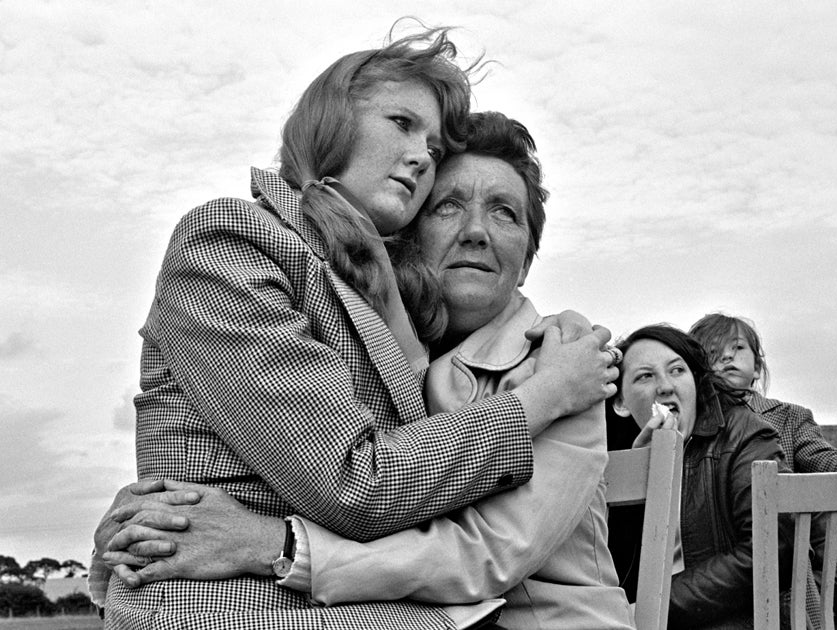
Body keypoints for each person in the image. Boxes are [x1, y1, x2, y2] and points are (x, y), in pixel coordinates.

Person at [96, 28, 619, 629]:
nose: (422, 156)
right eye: (402, 123)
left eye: (505, 212)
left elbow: (471, 545)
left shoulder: (563, 355)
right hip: (242, 607)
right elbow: (350, 480)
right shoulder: (243, 241)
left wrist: (274, 543)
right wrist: (134, 524)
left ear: (529, 258)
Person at [688, 312, 837, 627]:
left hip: (792, 570)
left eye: (737, 348)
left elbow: (821, 459)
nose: (727, 357)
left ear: (757, 367)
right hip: (724, 570)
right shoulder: (692, 426)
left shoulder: (787, 417)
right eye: (713, 351)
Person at [605, 324, 791, 629]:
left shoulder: (744, 435)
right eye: (645, 376)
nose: (665, 386)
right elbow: (609, 566)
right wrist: (640, 476)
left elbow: (768, 551)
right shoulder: (609, 452)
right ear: (621, 403)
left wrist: (656, 607)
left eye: (677, 370)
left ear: (695, 381)